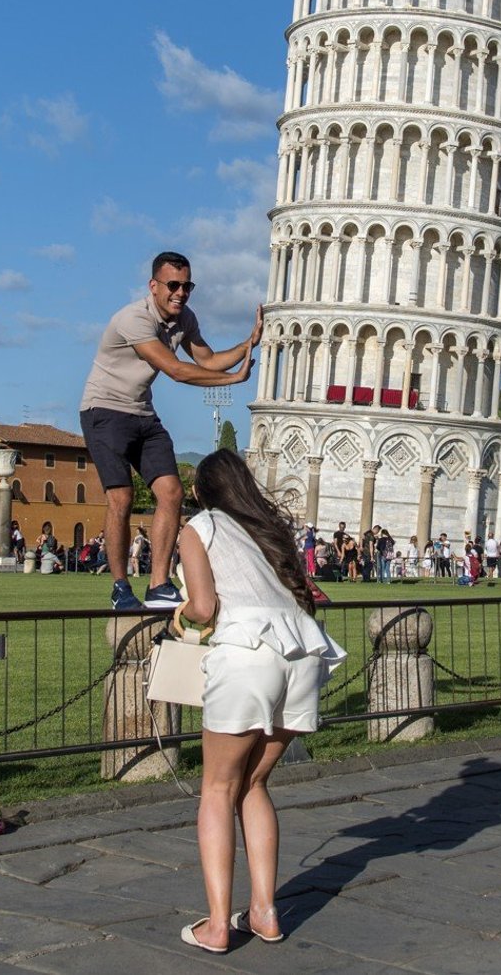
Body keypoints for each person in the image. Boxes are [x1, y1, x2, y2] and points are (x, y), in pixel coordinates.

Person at [176, 449, 346, 953]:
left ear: (201, 492)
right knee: (253, 784)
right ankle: (265, 912)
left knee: (217, 788)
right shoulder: (269, 529)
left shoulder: (199, 527)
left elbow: (204, 606)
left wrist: (179, 614)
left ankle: (217, 925)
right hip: (302, 654)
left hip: (249, 652)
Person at [80, 250, 261, 612]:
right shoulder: (133, 319)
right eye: (173, 285)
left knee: (172, 492)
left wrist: (248, 343)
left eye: (187, 286)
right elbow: (176, 370)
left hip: (143, 413)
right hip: (105, 411)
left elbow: (207, 359)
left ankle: (158, 585)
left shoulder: (185, 319)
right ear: (154, 286)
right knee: (121, 498)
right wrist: (234, 378)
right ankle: (120, 587)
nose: (181, 293)